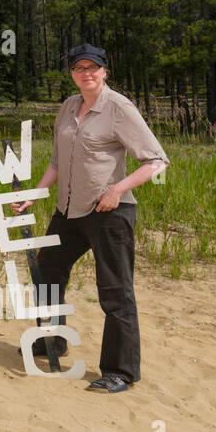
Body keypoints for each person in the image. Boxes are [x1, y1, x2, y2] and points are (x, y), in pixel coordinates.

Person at [14, 44, 169, 393]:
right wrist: (34, 196)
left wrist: (117, 190)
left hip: (109, 213)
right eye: (79, 67)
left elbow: (156, 161)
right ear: (71, 73)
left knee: (115, 291)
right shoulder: (69, 107)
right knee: (47, 270)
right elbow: (56, 162)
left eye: (93, 67)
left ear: (105, 71)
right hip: (69, 210)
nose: (87, 73)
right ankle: (53, 340)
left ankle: (120, 372)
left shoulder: (119, 108)